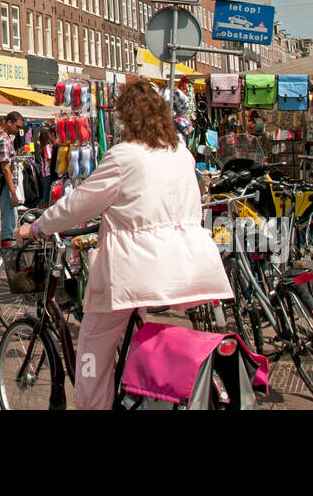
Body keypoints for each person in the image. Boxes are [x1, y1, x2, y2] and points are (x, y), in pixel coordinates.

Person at [15, 82, 233, 410]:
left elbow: (79, 204)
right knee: (137, 336)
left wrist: (37, 226)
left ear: (126, 119)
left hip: (136, 268)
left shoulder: (124, 157)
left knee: (93, 346)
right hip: (185, 265)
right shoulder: (181, 154)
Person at [0, 112, 25, 252]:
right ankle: (3, 257)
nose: (18, 131)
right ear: (9, 122)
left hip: (5, 185)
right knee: (9, 225)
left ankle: (2, 254)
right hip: (5, 186)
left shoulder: (0, 137)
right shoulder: (3, 140)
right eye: (17, 127)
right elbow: (6, 169)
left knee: (11, 221)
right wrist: (13, 193)